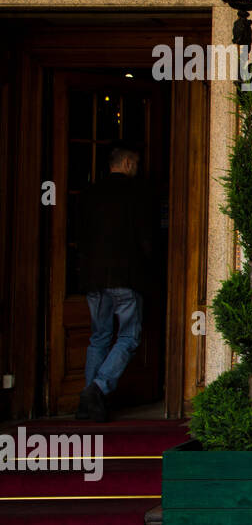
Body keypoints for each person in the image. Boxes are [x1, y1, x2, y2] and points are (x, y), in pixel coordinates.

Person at [75, 144, 154, 421]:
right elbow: (146, 239)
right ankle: (97, 389)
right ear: (129, 163)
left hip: (93, 278)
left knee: (99, 337)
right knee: (129, 337)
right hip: (126, 276)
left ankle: (89, 404)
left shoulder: (88, 193)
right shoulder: (137, 193)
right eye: (137, 163)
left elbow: (79, 236)